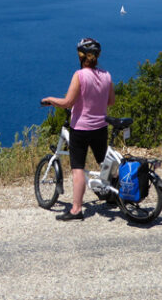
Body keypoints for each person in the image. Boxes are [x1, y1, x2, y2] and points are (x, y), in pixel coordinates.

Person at [41, 38, 115, 221]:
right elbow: (111, 101)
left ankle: (76, 209)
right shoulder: (106, 75)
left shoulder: (80, 75)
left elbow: (68, 102)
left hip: (81, 129)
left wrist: (50, 100)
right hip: (101, 127)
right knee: (104, 163)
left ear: (81, 57)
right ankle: (114, 194)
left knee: (78, 169)